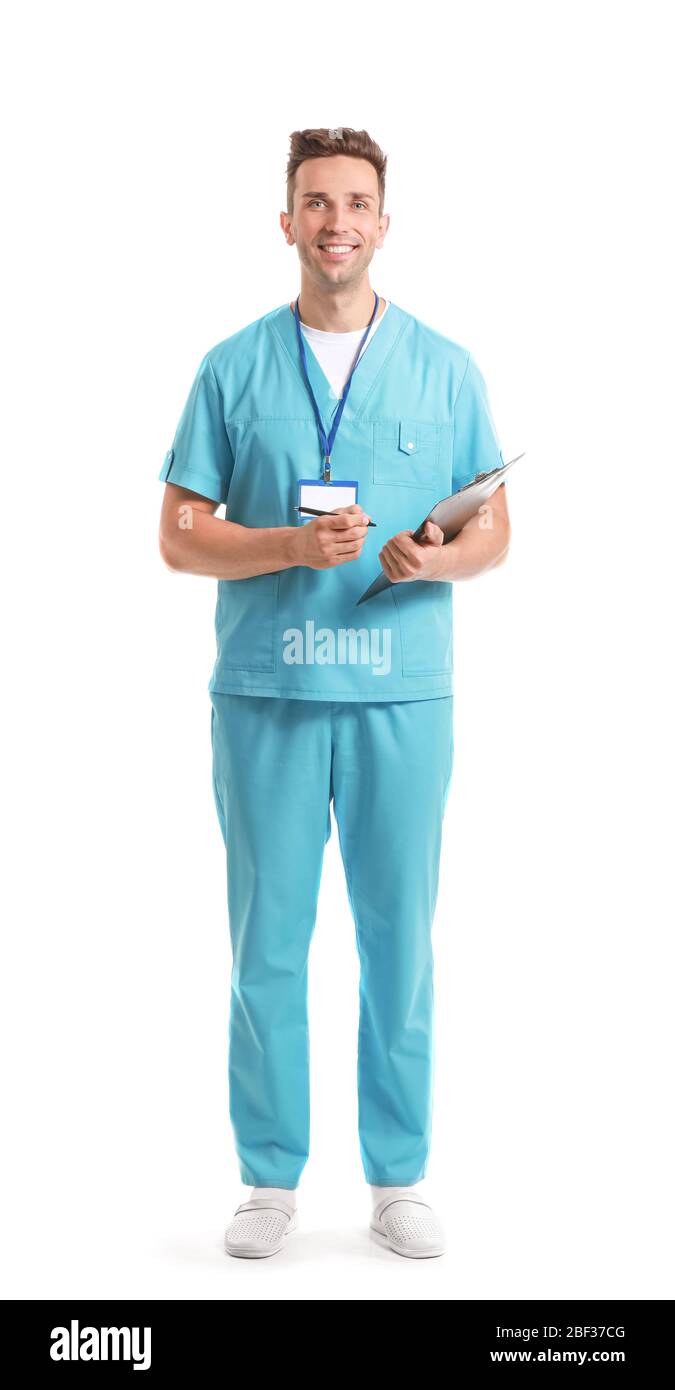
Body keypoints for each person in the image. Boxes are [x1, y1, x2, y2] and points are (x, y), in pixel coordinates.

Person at [158, 127, 511, 1260]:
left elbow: (493, 526)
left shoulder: (446, 368)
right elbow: (180, 539)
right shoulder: (233, 368)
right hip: (268, 696)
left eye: (356, 200)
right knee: (267, 939)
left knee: (399, 939)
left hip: (402, 697)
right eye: (316, 200)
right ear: (287, 221)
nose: (337, 220)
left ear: (385, 222)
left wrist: (434, 560)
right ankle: (269, 1178)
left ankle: (397, 1173)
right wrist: (288, 550)